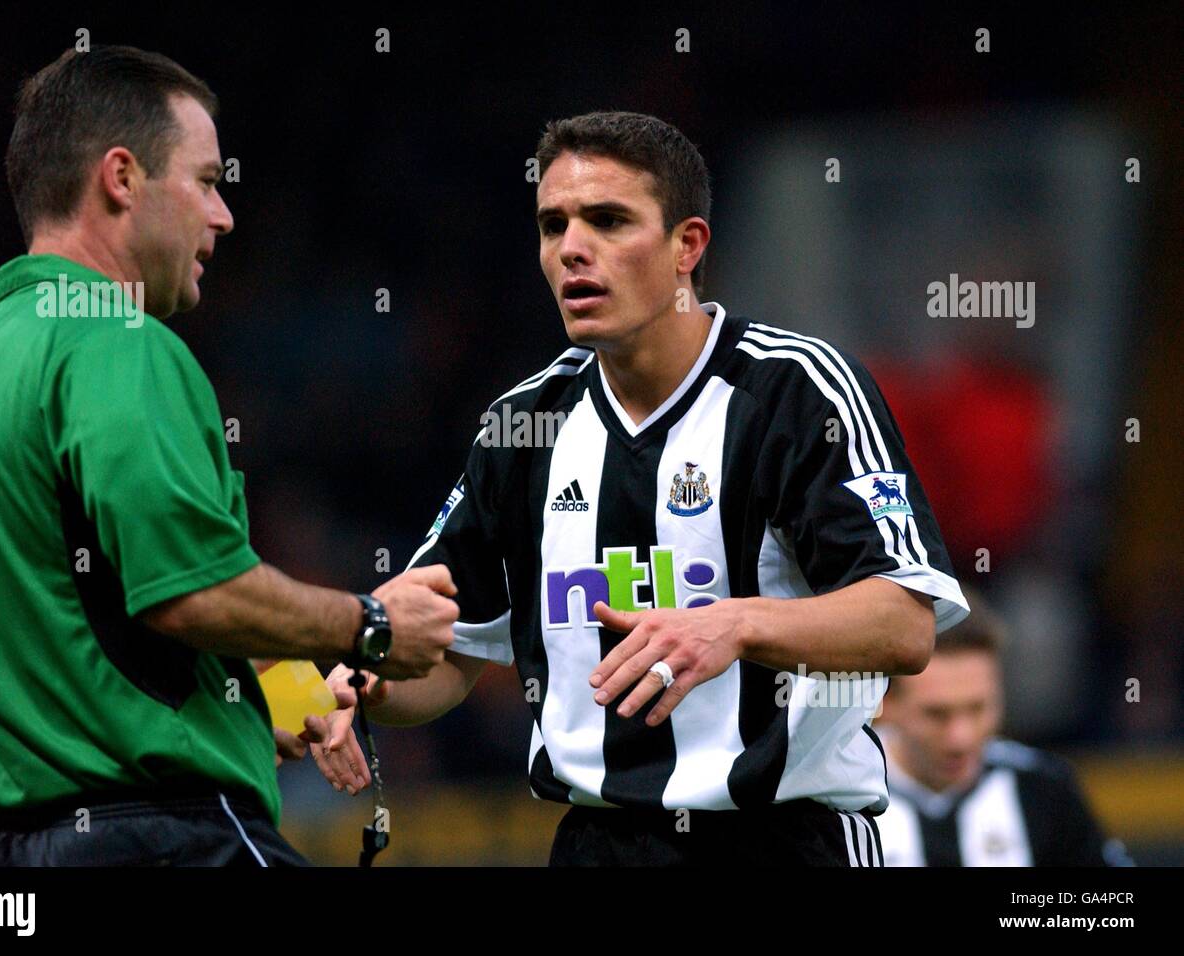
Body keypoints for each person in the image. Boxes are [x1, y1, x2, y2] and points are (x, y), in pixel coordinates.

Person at [309, 111, 970, 866]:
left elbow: (904, 624)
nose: (572, 250)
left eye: (608, 220)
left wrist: (734, 625)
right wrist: (369, 683)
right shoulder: (524, 426)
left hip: (782, 839)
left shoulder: (796, 394)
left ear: (687, 245)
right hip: (596, 843)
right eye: (552, 225)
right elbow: (454, 655)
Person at [0, 45, 457, 866]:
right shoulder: (119, 341)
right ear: (122, 177)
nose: (223, 215)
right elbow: (188, 592)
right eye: (207, 180)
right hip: (163, 844)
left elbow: (73, 655)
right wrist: (368, 625)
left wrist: (262, 698)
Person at [874, 588, 1132, 866]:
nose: (961, 738)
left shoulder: (1044, 792)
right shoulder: (842, 799)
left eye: (978, 709)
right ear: (885, 702)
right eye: (936, 714)